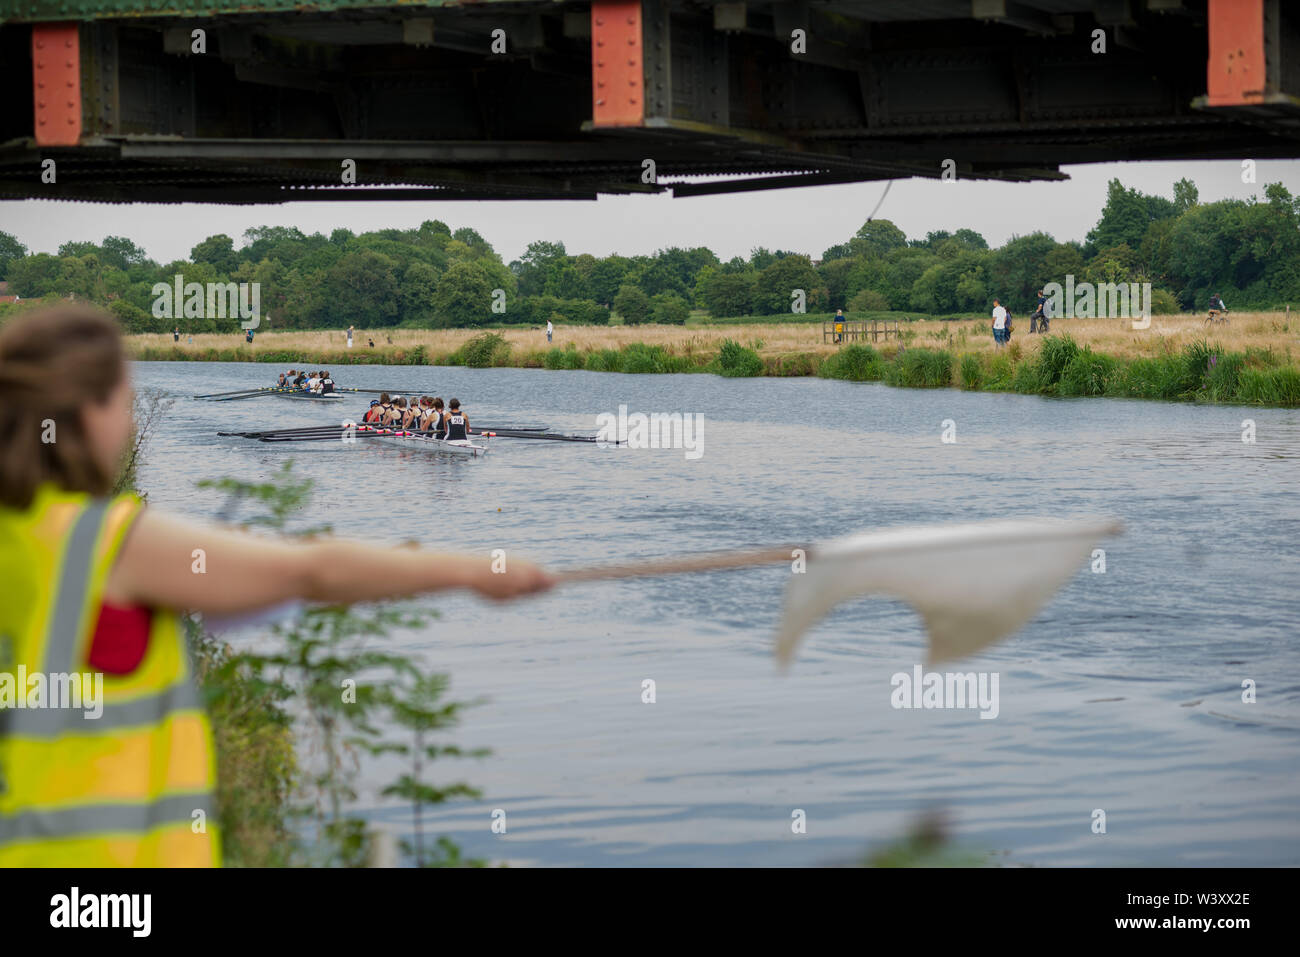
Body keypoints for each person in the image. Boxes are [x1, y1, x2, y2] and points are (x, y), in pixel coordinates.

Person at [0, 306, 552, 867]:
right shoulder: (107, 540)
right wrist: (473, 572)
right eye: (125, 398)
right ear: (89, 411)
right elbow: (309, 571)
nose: (130, 416)